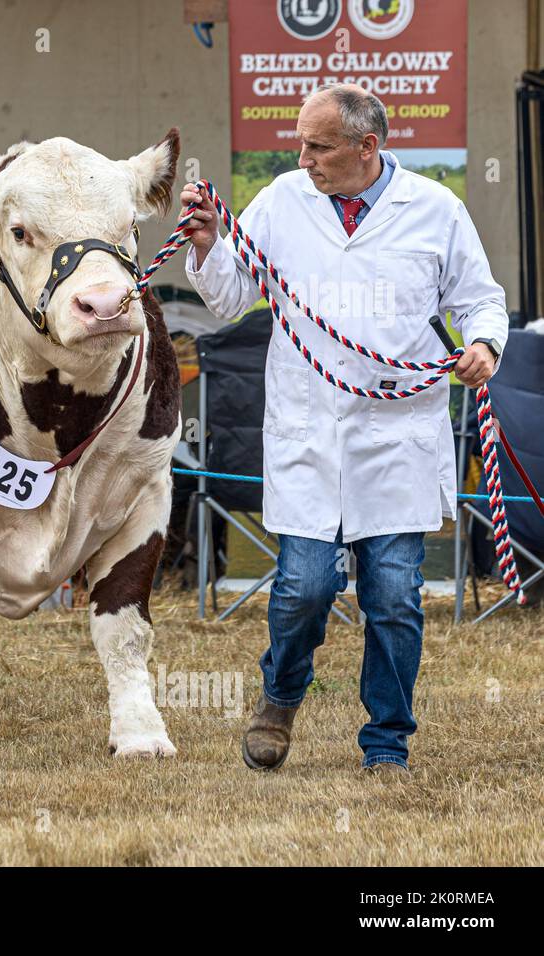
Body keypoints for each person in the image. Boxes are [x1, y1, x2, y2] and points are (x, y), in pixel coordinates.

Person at [181, 84, 508, 775]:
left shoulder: (434, 211)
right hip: (309, 433)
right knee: (304, 589)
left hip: (396, 436)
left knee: (393, 596)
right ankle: (281, 692)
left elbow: (479, 299)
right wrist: (211, 246)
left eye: (318, 146)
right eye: (298, 143)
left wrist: (482, 344)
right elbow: (233, 296)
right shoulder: (281, 203)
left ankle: (386, 741)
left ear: (368, 147)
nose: (302, 159)